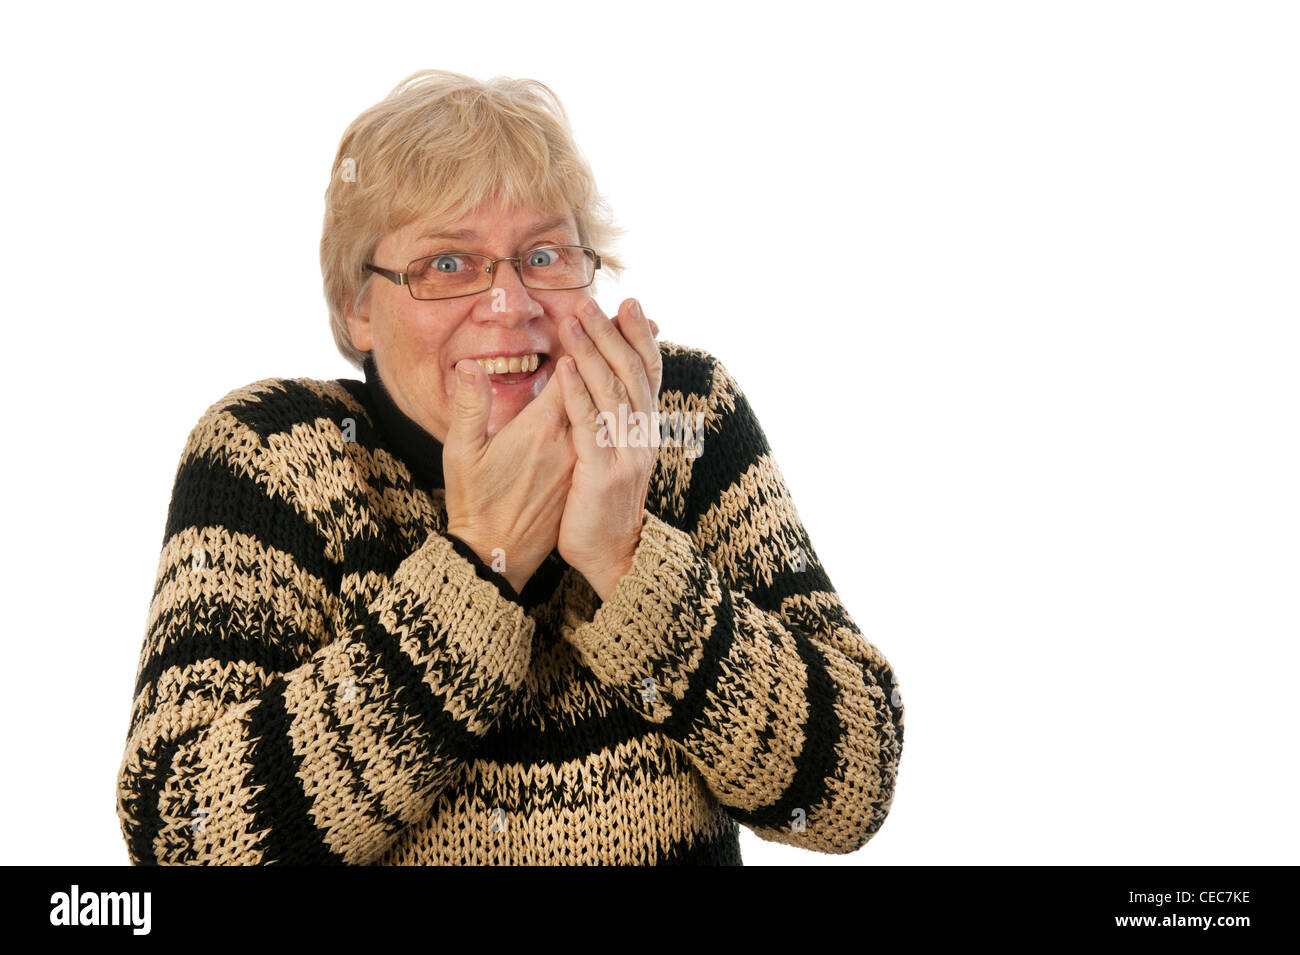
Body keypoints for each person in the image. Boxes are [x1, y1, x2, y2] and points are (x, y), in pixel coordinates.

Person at [114, 69, 905, 865]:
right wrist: (479, 565)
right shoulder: (273, 454)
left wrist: (627, 564)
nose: (509, 304)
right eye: (448, 264)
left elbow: (849, 794)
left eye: (543, 255)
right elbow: (183, 833)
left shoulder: (676, 415)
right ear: (360, 306)